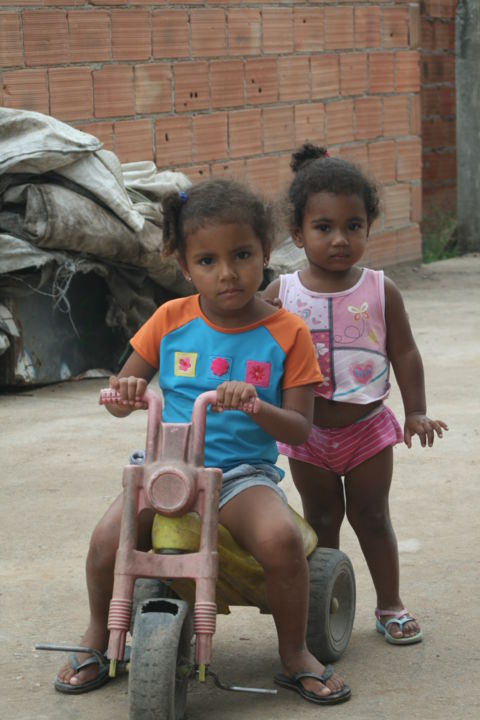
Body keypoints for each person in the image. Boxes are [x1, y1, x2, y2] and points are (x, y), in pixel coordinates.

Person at [55, 178, 350, 705]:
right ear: (185, 266)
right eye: (208, 261)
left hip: (240, 475)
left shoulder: (288, 333)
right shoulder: (170, 320)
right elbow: (126, 395)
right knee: (107, 541)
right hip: (167, 464)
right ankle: (100, 635)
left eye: (241, 255)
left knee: (282, 543)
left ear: (266, 252)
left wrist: (258, 406)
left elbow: (301, 428)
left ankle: (294, 655)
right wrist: (123, 393)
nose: (228, 273)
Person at [263, 144, 448, 646]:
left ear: (370, 226)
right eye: (324, 228)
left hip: (367, 428)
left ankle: (390, 605)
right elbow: (251, 350)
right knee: (321, 522)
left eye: (354, 226)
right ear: (298, 233)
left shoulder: (380, 289)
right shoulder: (281, 295)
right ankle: (327, 608)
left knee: (372, 517)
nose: (340, 239)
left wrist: (416, 412)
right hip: (307, 433)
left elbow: (405, 353)